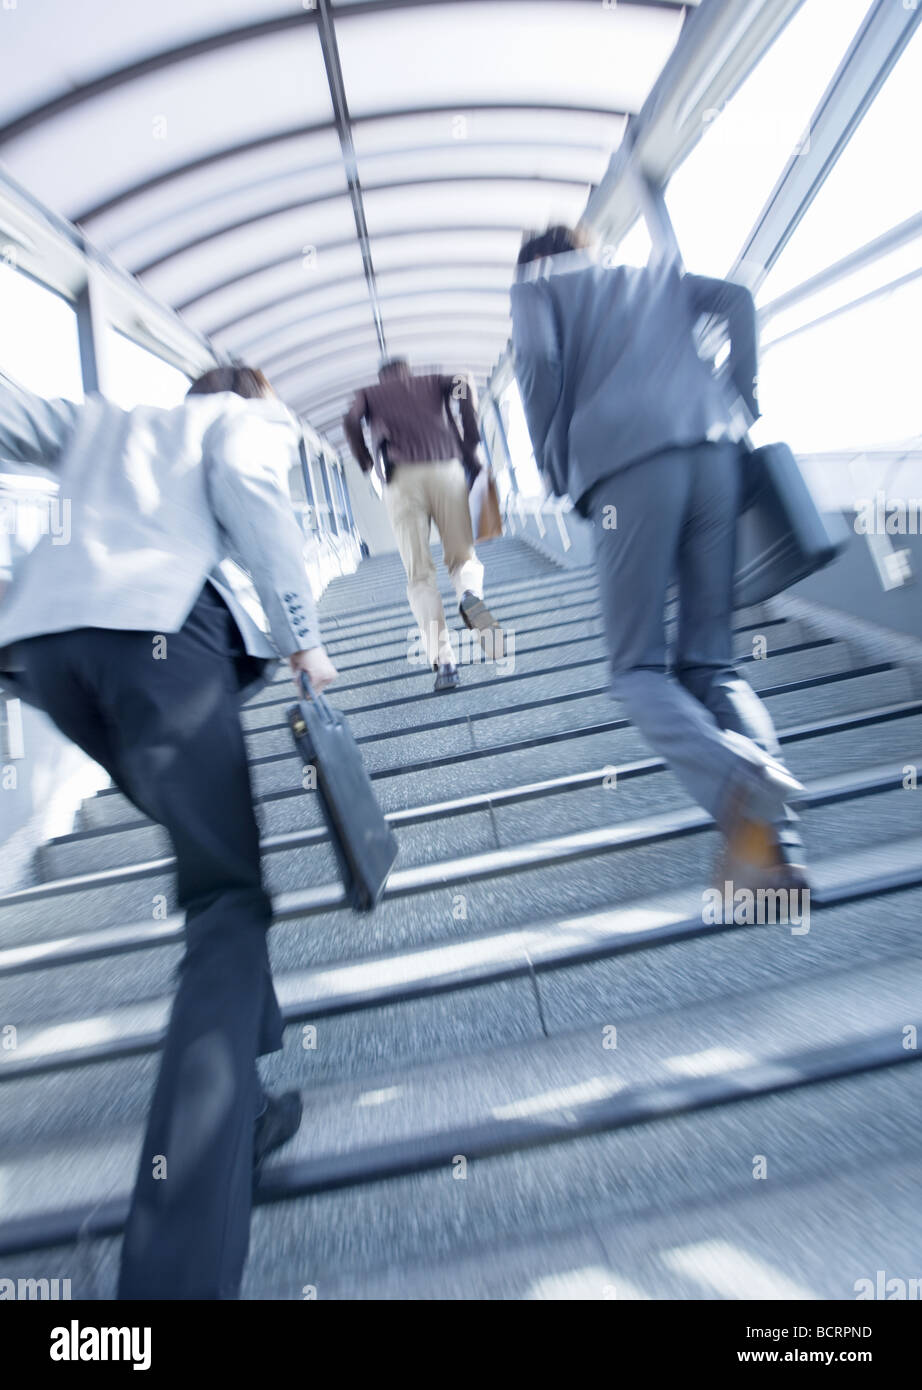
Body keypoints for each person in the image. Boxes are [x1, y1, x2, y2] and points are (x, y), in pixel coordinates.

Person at [0, 363, 338, 1299]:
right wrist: (304, 635)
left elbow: (11, 408)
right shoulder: (237, 420)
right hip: (157, 646)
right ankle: (171, 1285)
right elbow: (252, 496)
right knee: (227, 905)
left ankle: (250, 1102)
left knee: (213, 861)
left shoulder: (106, 419)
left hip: (47, 656)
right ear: (253, 395)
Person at [510, 225, 807, 890]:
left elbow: (536, 371)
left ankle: (740, 785)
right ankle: (776, 848)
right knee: (711, 662)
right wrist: (741, 396)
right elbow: (735, 301)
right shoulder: (650, 277)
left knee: (636, 668)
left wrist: (557, 468)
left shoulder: (536, 292)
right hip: (716, 453)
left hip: (626, 467)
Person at [343, 356, 502, 691]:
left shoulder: (369, 393)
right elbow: (463, 380)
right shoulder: (432, 381)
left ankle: (445, 663)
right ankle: (470, 595)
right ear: (408, 371)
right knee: (462, 557)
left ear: (381, 376)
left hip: (401, 481)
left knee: (419, 576)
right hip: (447, 469)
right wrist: (469, 438)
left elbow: (350, 421)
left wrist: (366, 461)